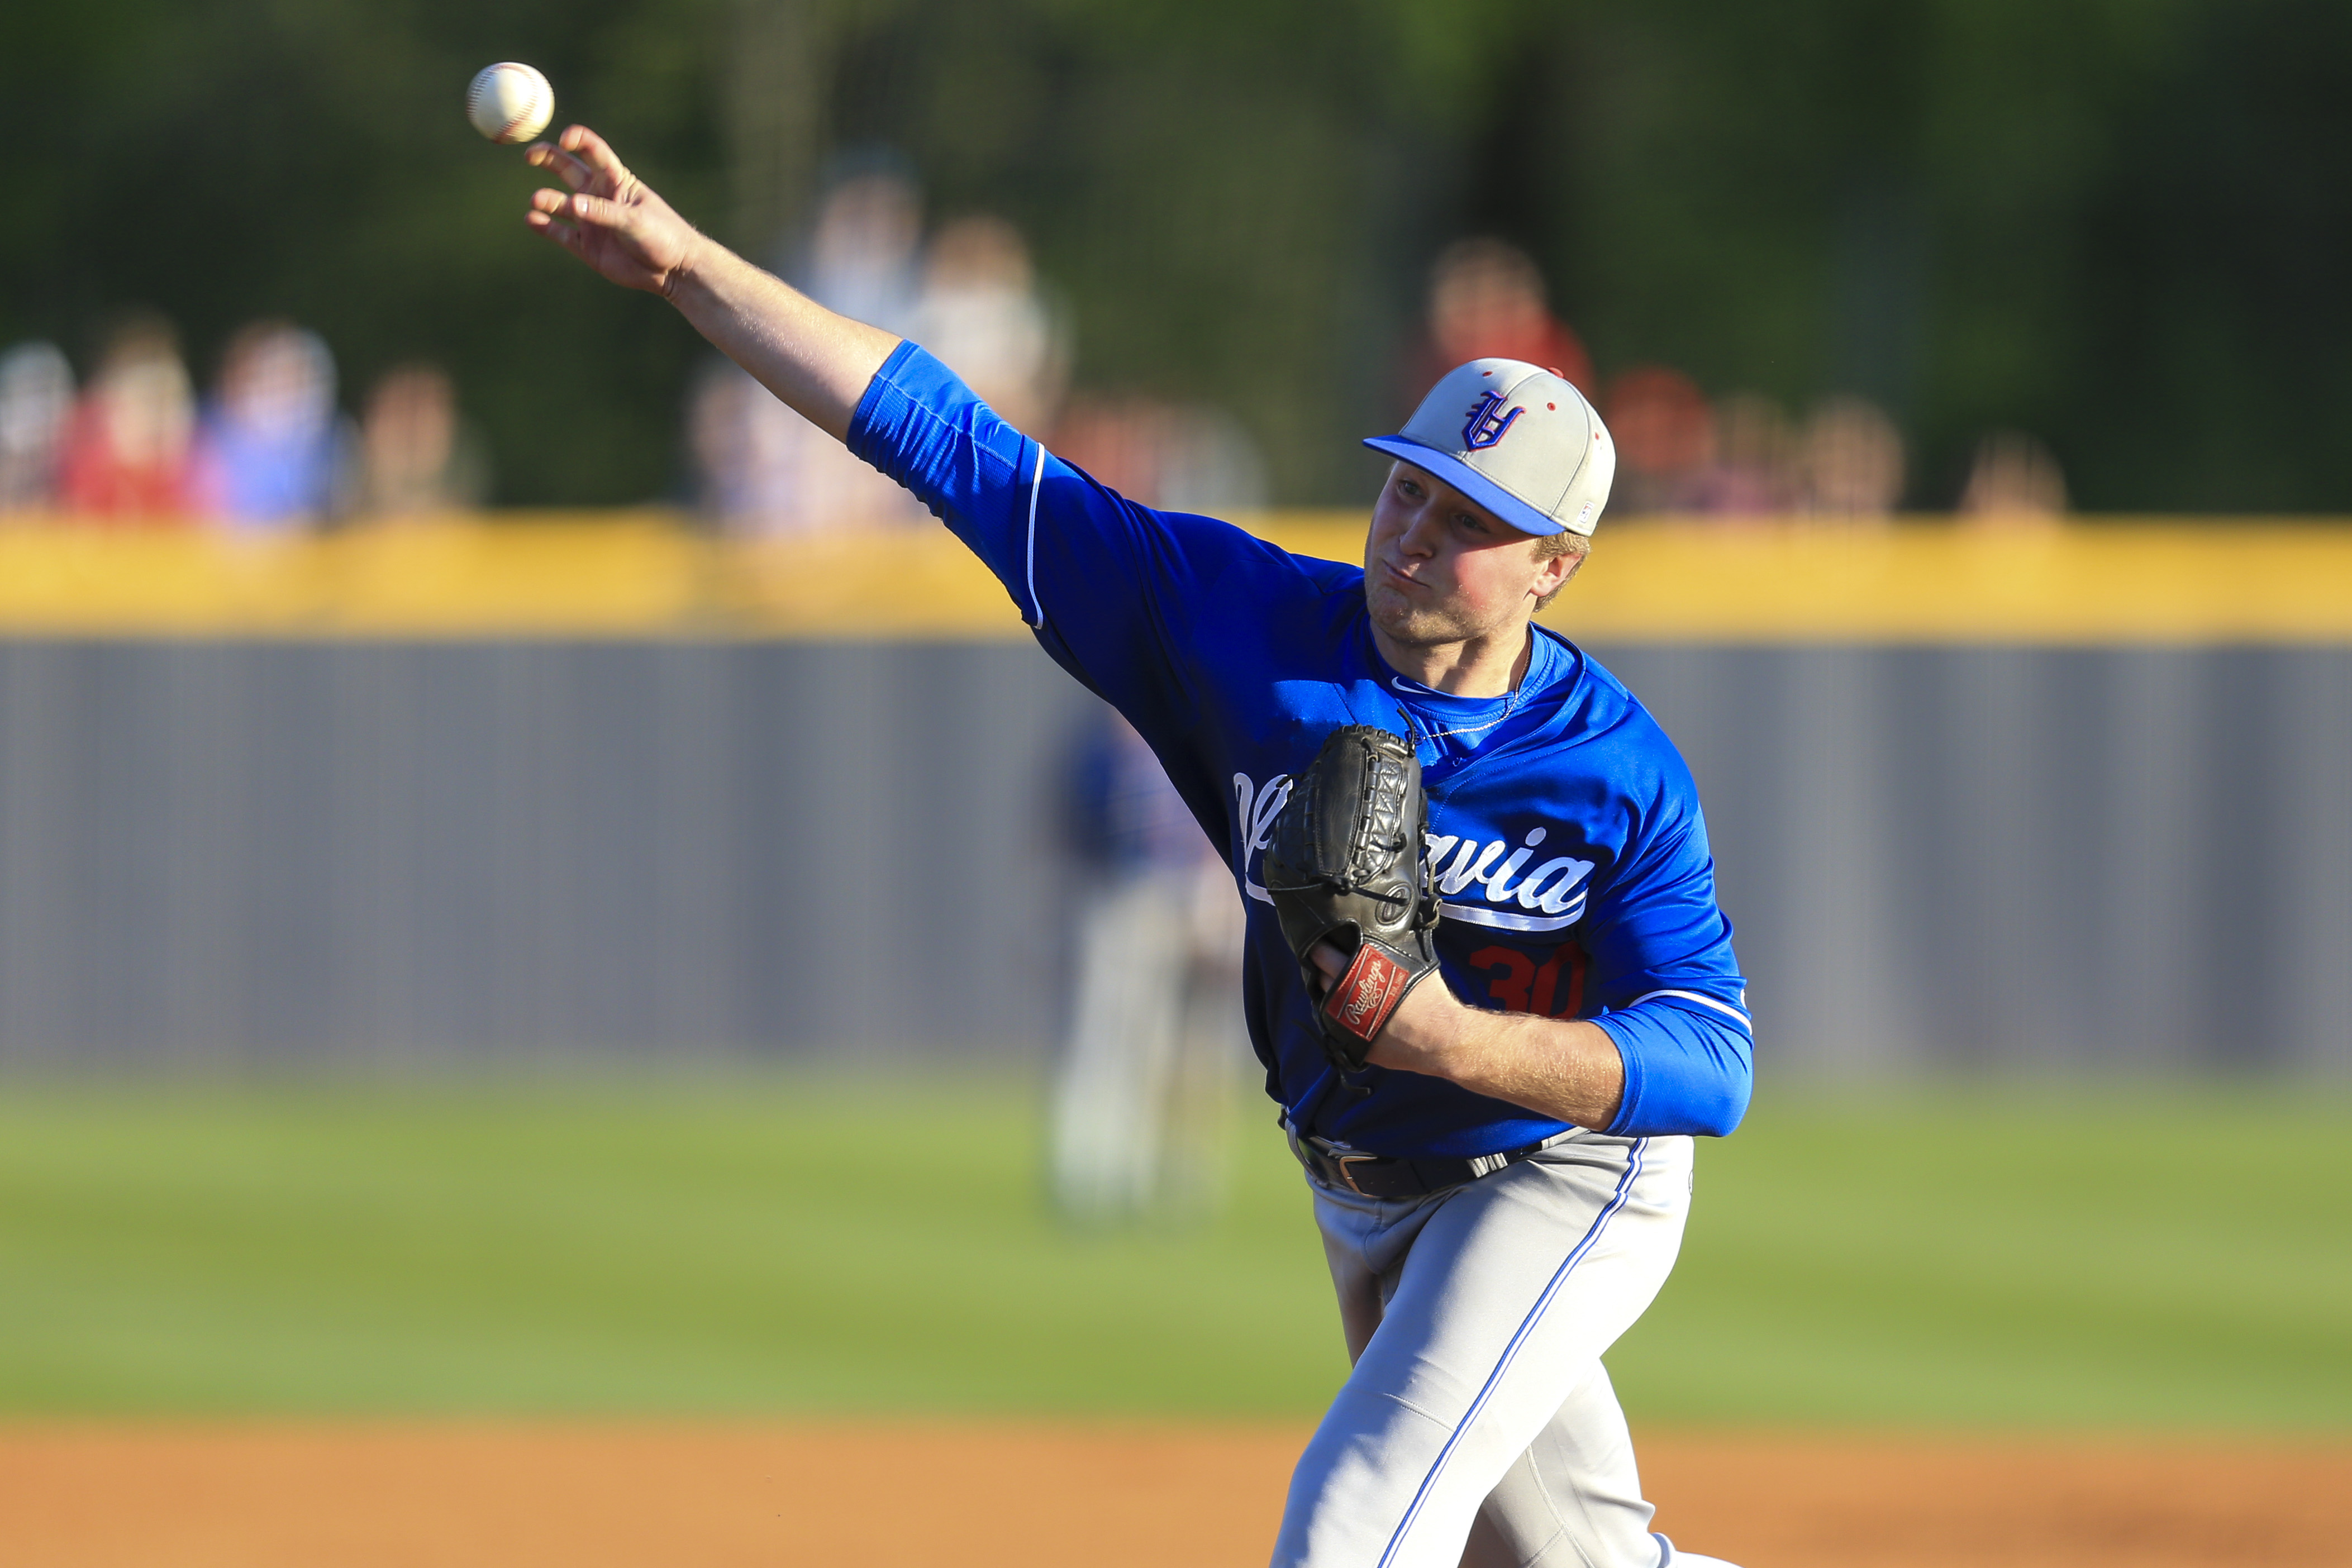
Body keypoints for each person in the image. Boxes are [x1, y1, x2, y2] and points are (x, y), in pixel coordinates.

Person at [523, 124, 1751, 1568]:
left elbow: (1708, 1058)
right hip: (1362, 1179)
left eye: (1472, 519)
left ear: (1555, 565)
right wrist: (690, 271)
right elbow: (945, 440)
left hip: (1561, 1167)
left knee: (1355, 1517)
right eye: (1408, 485)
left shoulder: (1614, 768)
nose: (1415, 531)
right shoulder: (1232, 621)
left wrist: (1452, 1040)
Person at [1051, 706, 1246, 1223]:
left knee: (1197, 1051)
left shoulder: (1208, 739)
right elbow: (1079, 821)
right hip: (1132, 892)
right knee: (1114, 1039)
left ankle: (1186, 1180)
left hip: (1207, 897)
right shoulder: (1106, 749)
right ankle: (1096, 1173)